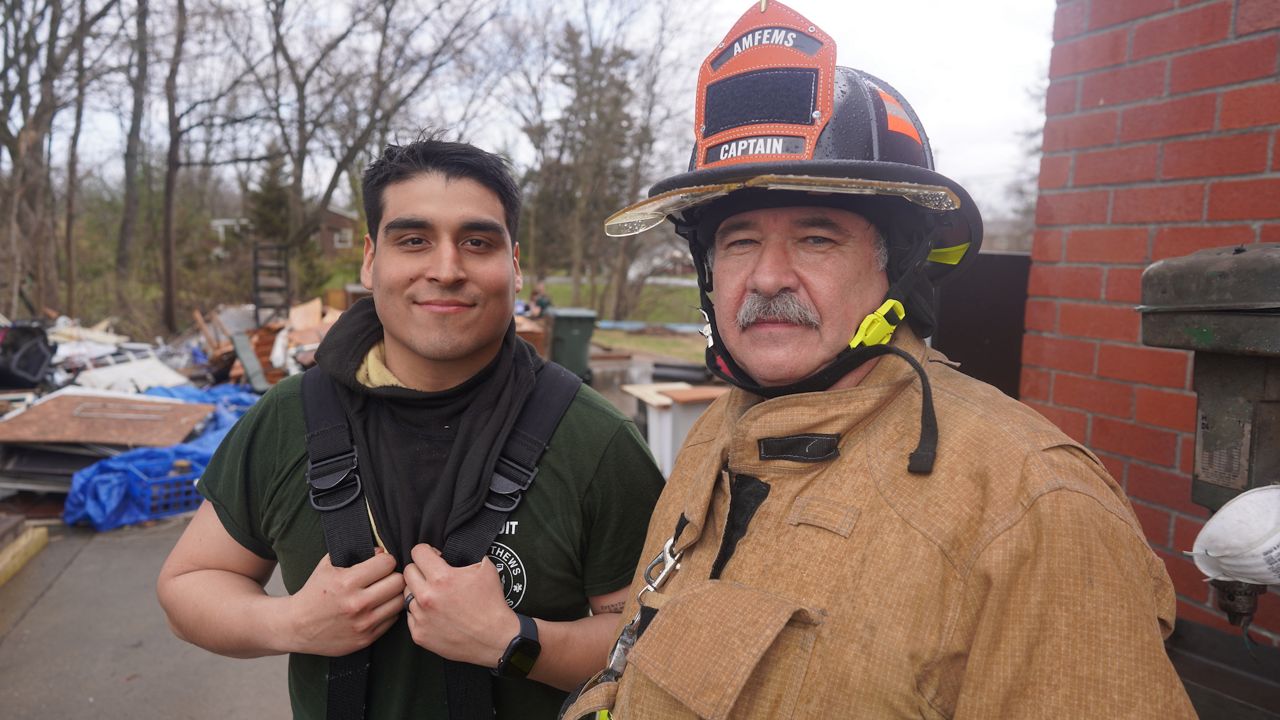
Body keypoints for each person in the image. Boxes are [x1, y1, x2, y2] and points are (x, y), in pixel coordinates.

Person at [562, 3, 1196, 718]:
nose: (767, 277)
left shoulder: (1032, 504)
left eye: (817, 238)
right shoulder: (721, 432)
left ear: (896, 267)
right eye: (738, 241)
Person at [157, 138, 665, 719]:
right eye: (414, 240)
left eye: (477, 242)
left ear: (515, 265)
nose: (445, 270)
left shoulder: (594, 441)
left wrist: (515, 644)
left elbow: (651, 639)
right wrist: (290, 622)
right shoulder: (289, 418)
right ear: (371, 260)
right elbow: (189, 585)